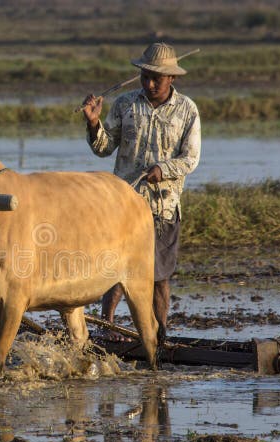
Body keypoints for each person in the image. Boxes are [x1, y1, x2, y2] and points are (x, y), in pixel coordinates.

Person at [81, 42, 201, 343]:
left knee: (159, 276)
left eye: (156, 79)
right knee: (117, 271)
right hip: (123, 205)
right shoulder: (124, 105)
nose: (149, 84)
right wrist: (94, 122)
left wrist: (163, 169)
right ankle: (106, 327)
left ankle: (160, 334)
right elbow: (104, 148)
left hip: (163, 208)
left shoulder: (187, 110)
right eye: (145, 77)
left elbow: (190, 158)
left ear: (171, 79)